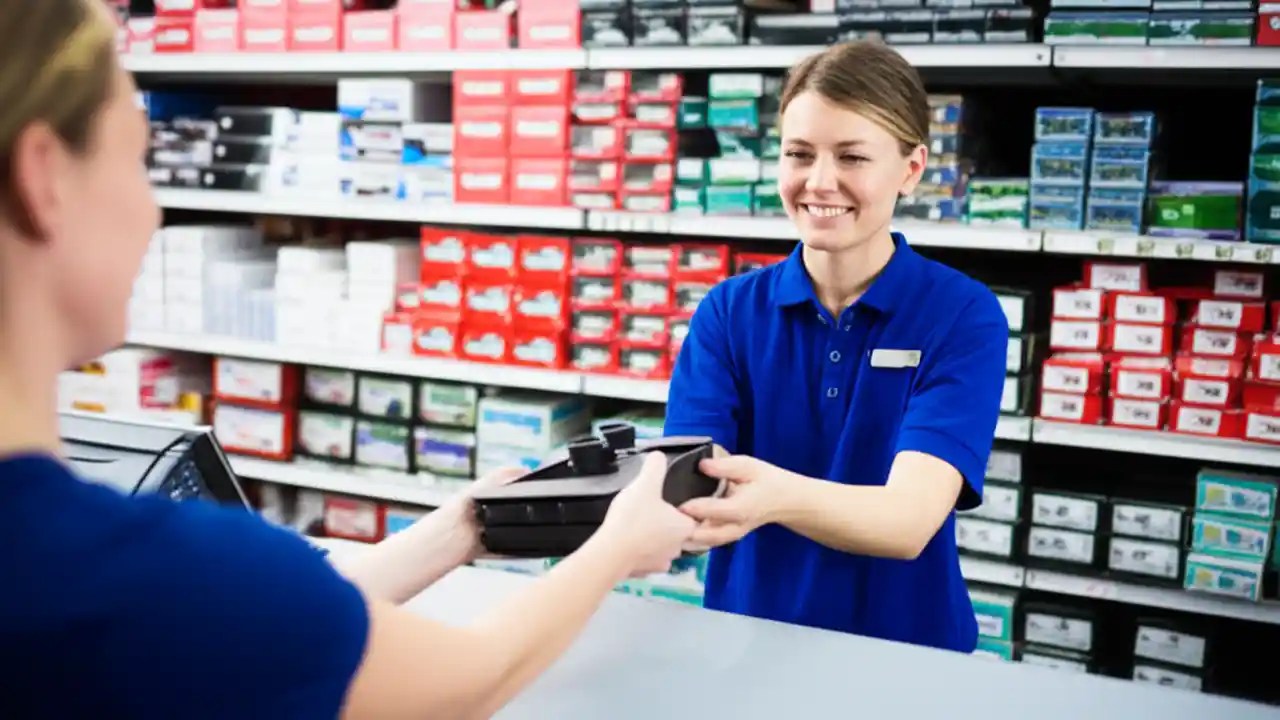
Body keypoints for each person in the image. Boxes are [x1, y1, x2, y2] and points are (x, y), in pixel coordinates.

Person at [0, 2, 695, 718]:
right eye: (136, 161)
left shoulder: (92, 579)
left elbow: (261, 632)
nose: (152, 213)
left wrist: (465, 525)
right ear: (43, 176)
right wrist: (617, 547)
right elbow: (469, 679)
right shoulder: (141, 571)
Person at [665, 40, 1008, 654]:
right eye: (799, 154)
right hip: (748, 645)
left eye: (852, 156)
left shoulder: (961, 316)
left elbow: (907, 521)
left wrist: (771, 496)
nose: (819, 182)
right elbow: (693, 480)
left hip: (908, 655)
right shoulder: (728, 313)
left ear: (911, 168)